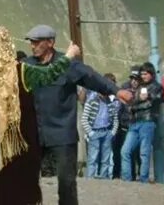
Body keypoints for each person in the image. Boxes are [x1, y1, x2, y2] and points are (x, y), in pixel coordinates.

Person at [23, 24, 132, 205]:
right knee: (26, 181)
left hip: (62, 134)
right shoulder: (27, 66)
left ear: (50, 43)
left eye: (36, 42)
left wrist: (115, 90)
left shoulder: (69, 66)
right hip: (34, 133)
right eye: (31, 42)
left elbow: (92, 77)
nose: (32, 46)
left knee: (66, 183)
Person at [0, 26, 77, 205]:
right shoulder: (22, 71)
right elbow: (50, 74)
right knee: (19, 189)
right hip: (19, 145)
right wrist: (69, 56)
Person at [120, 62, 164, 183]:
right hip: (134, 122)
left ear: (151, 74)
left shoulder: (157, 87)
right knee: (125, 150)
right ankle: (127, 178)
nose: (143, 76)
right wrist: (136, 103)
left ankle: (143, 180)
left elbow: (151, 102)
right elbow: (133, 102)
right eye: (142, 74)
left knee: (144, 152)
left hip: (147, 121)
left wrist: (135, 105)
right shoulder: (139, 87)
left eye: (145, 74)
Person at [81, 82, 119, 179]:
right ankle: (90, 178)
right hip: (95, 131)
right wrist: (90, 132)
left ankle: (104, 178)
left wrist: (112, 132)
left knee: (106, 159)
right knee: (93, 158)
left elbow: (115, 119)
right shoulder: (91, 102)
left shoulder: (111, 104)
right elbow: (84, 118)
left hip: (106, 132)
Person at [113, 66, 141, 180]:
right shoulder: (124, 88)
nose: (134, 81)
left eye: (137, 79)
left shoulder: (143, 91)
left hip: (137, 126)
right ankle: (120, 175)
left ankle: (133, 176)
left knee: (135, 154)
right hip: (124, 125)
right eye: (132, 78)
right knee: (122, 151)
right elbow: (119, 107)